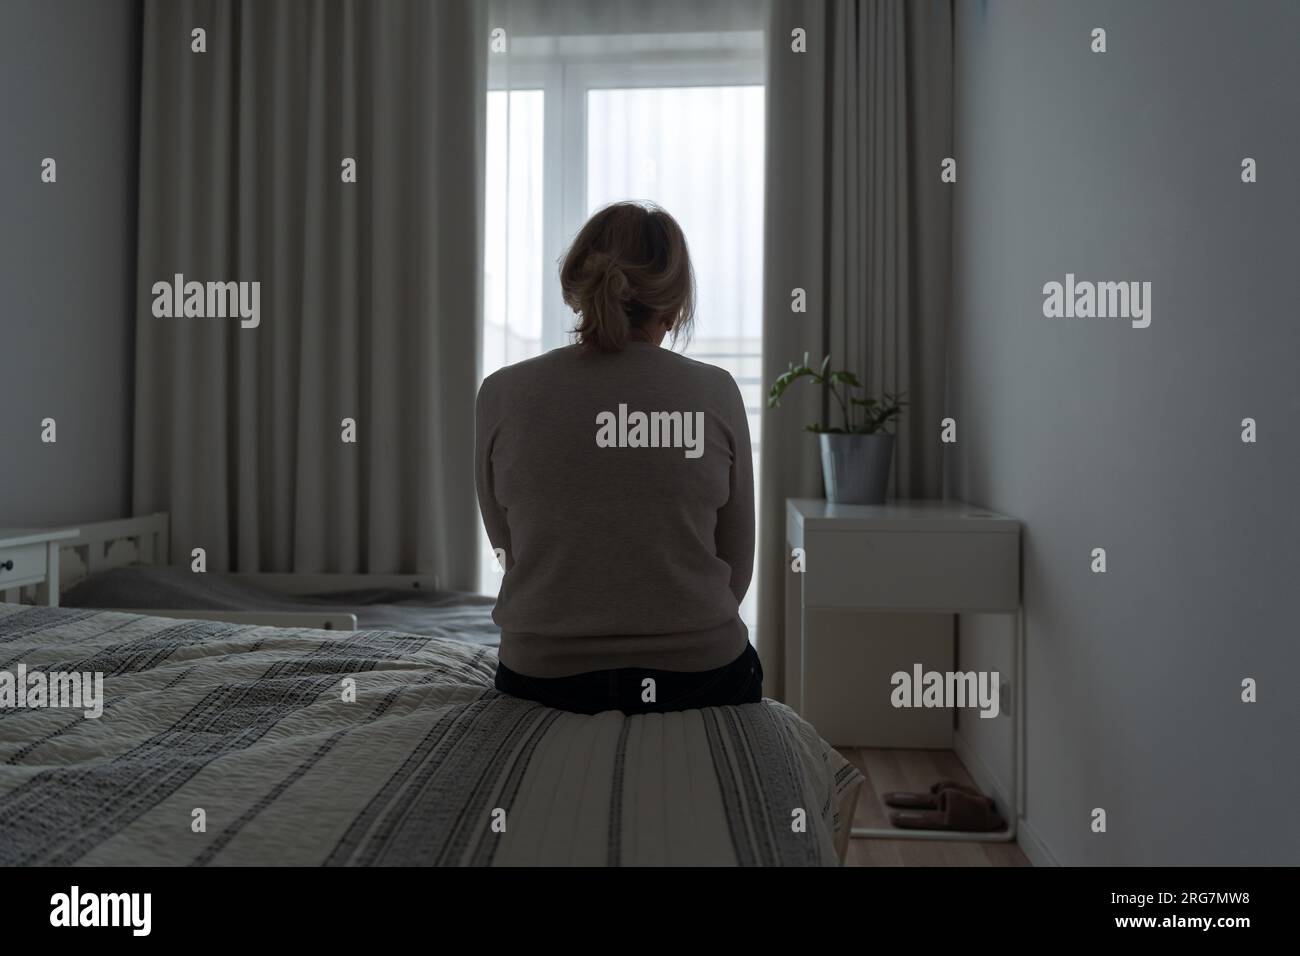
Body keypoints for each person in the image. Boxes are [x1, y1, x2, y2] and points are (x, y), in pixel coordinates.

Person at [474, 201, 761, 715]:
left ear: (577, 289)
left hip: (545, 677)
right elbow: (736, 567)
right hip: (699, 674)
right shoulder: (716, 392)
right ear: (672, 308)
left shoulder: (500, 393)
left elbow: (510, 552)